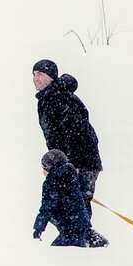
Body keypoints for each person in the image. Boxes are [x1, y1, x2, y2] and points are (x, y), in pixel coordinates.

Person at [32, 58, 108, 247]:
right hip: (68, 160)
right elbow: (55, 137)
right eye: (33, 74)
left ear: (51, 77)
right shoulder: (46, 99)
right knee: (65, 202)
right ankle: (80, 238)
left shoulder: (61, 98)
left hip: (82, 160)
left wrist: (66, 164)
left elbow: (76, 132)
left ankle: (80, 240)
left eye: (40, 74)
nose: (35, 78)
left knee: (76, 202)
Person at [33, 150, 101, 247]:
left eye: (44, 168)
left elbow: (46, 207)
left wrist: (38, 228)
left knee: (57, 252)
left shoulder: (51, 182)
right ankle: (89, 237)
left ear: (49, 167)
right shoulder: (73, 175)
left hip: (69, 228)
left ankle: (82, 240)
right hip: (82, 224)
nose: (43, 171)